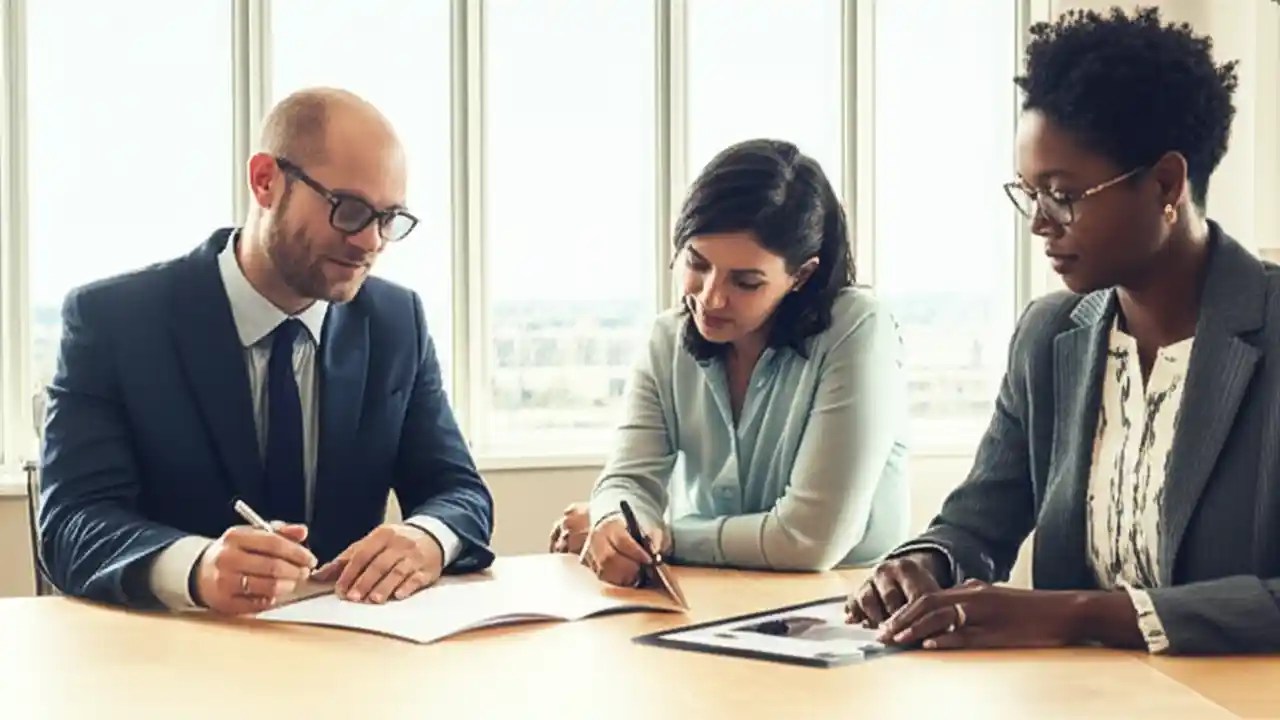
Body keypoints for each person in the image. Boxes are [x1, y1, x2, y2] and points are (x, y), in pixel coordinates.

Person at [847, 7, 1280, 656]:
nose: (1040, 224)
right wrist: (927, 563)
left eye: (1063, 194)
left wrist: (1079, 615)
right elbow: (977, 520)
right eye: (1029, 194)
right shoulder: (1051, 336)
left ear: (1166, 183)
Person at [38, 88, 495, 615]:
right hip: (166, 664)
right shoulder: (114, 321)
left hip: (354, 664)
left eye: (388, 219)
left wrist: (426, 538)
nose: (370, 242)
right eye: (348, 210)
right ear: (265, 181)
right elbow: (72, 523)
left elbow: (460, 492)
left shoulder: (396, 323)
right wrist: (196, 567)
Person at [550, 138, 911, 587]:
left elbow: (809, 539)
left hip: (848, 609)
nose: (710, 297)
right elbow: (626, 483)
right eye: (696, 264)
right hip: (709, 601)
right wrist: (616, 522)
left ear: (802, 276)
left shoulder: (858, 329)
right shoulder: (667, 339)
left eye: (746, 282)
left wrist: (665, 539)